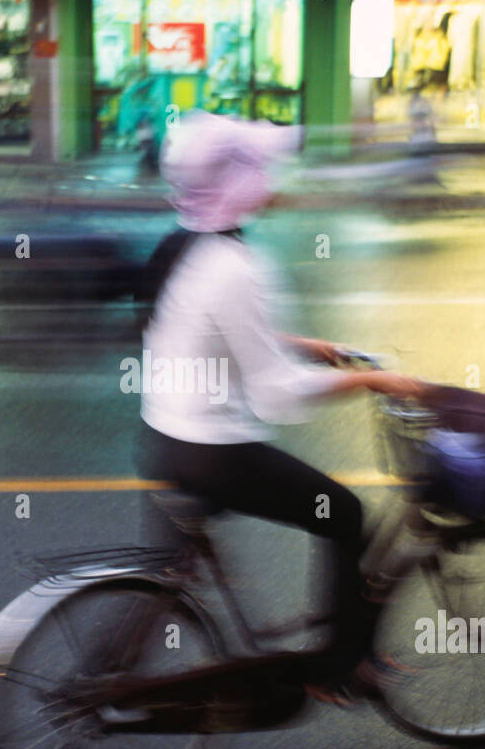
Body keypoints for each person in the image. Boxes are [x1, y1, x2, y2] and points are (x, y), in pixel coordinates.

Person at [134, 110, 428, 706]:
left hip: (165, 435)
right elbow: (277, 393)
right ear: (236, 183)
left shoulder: (186, 241)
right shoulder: (235, 267)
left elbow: (213, 333)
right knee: (345, 515)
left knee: (168, 579)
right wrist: (376, 382)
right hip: (212, 451)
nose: (275, 178)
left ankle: (114, 664)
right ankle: (336, 669)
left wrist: (308, 348)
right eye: (263, 169)